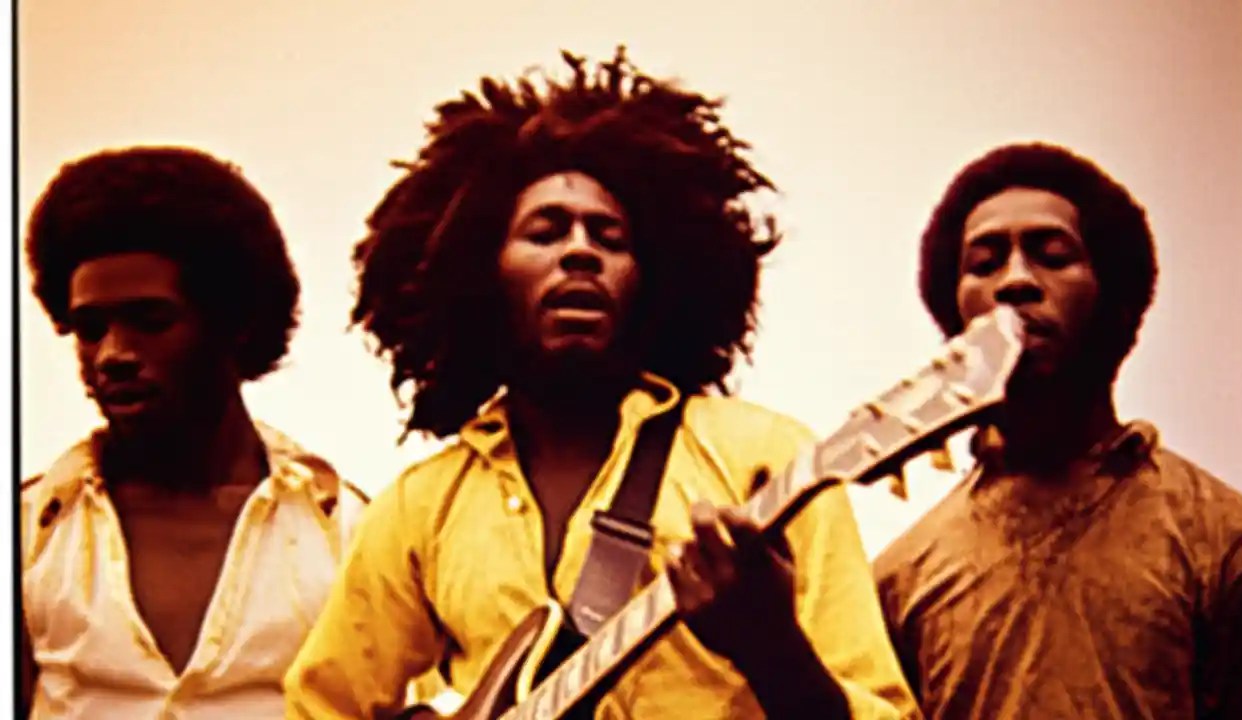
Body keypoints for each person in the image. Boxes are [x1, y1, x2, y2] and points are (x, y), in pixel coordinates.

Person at [284, 48, 919, 719]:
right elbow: (322, 706)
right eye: (547, 231)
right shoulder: (421, 507)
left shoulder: (766, 456)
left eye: (609, 236)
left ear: (652, 280)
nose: (581, 249)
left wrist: (772, 648)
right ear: (480, 272)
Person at [873, 142, 1242, 718]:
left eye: (1053, 255)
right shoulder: (901, 578)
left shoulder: (1228, 540)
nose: (1016, 281)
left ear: (1114, 297)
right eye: (983, 264)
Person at [19, 146, 369, 718]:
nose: (113, 354)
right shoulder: (32, 531)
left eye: (150, 321)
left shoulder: (344, 532)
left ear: (234, 323)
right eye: (89, 328)